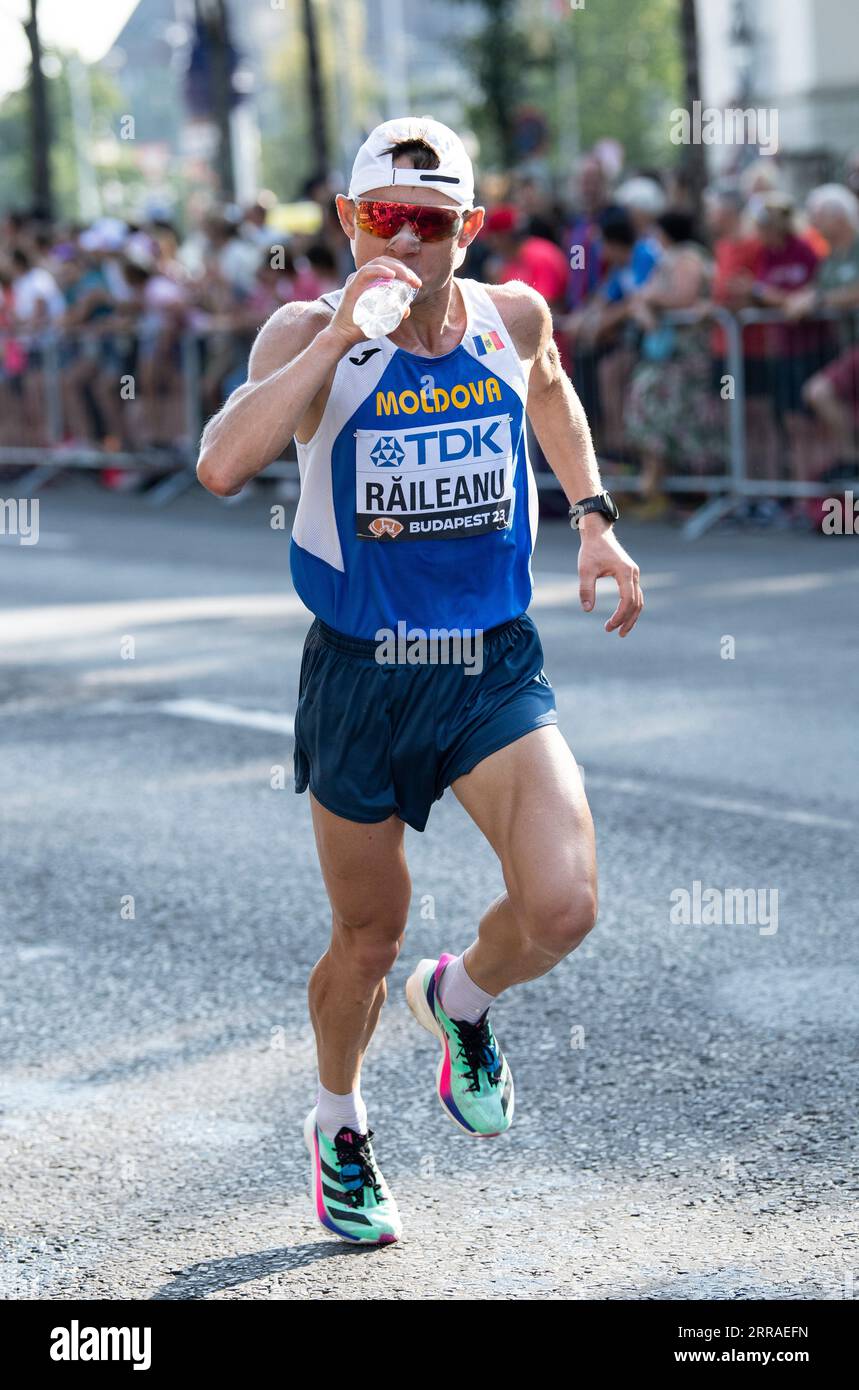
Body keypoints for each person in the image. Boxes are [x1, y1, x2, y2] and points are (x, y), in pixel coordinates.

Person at [196, 116, 643, 1246]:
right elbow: (219, 465)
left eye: (428, 220)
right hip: (361, 672)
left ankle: (463, 1000)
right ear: (347, 222)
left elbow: (546, 386)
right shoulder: (308, 329)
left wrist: (592, 519)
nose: (402, 238)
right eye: (377, 216)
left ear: (469, 230)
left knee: (564, 903)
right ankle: (339, 1123)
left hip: (487, 660)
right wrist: (336, 336)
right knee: (365, 938)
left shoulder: (512, 316)